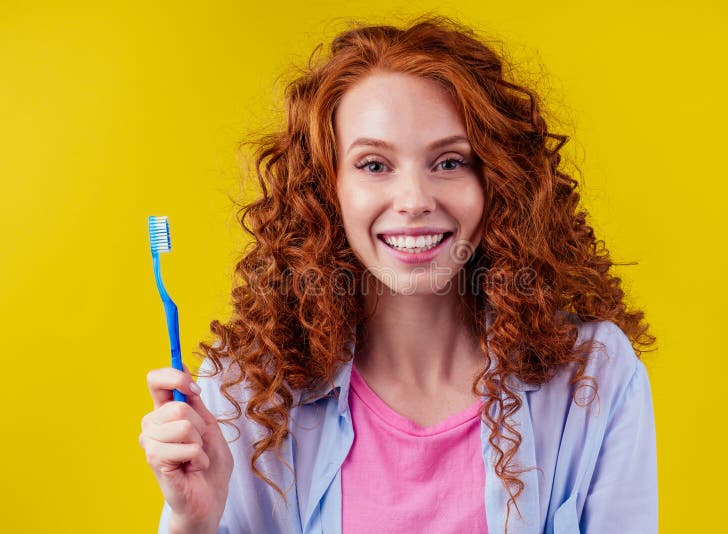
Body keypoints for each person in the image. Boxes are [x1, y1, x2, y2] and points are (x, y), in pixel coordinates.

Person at [140, 15, 658, 534]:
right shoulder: (245, 392)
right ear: (327, 189)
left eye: (450, 162)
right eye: (373, 165)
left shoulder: (595, 375)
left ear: (499, 180)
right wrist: (193, 520)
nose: (414, 201)